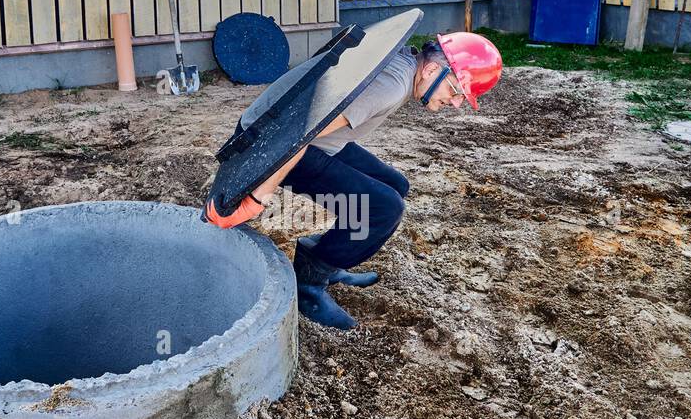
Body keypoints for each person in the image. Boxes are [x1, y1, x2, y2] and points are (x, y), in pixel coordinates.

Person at [205, 31, 502, 330]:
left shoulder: (402, 59)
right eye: (455, 91)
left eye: (461, 98)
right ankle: (308, 285)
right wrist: (258, 197)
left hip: (306, 135)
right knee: (384, 209)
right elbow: (296, 135)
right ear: (432, 69)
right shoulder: (391, 85)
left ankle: (320, 255)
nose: (455, 104)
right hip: (268, 141)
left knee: (396, 186)